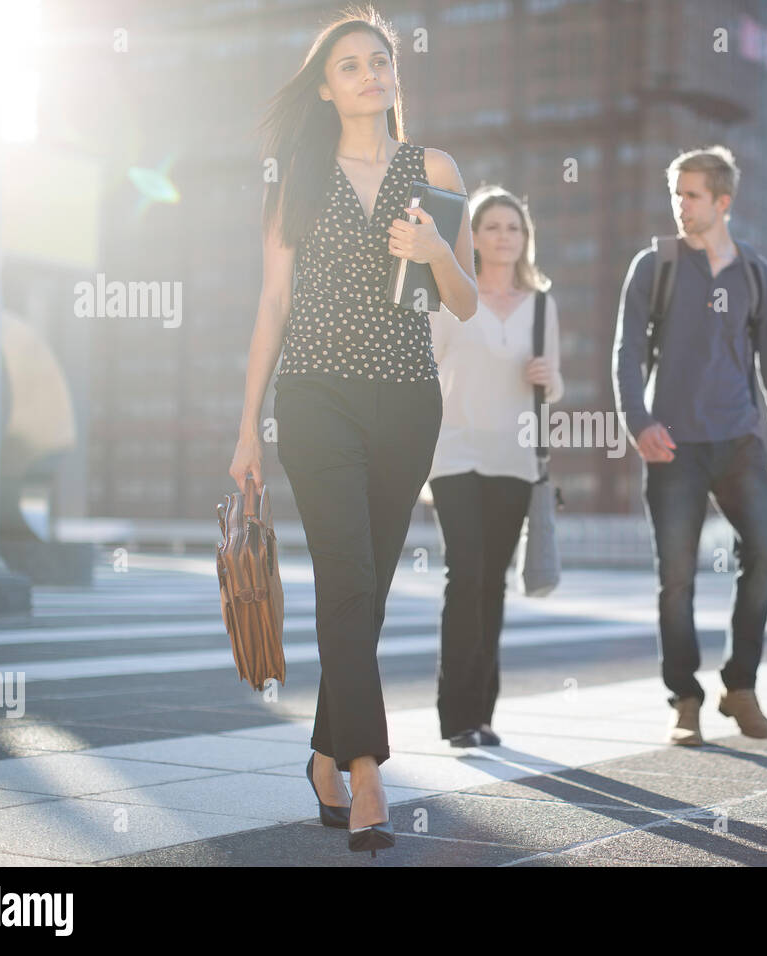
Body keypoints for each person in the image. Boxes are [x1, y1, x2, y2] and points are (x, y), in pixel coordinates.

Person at [230, 6, 477, 856]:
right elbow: (271, 306)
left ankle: (323, 753)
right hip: (314, 396)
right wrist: (246, 433)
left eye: (381, 60)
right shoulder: (294, 173)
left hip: (409, 398)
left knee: (365, 589)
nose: (371, 73)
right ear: (327, 89)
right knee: (344, 572)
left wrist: (435, 244)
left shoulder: (432, 166)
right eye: (350, 66)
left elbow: (467, 300)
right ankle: (367, 769)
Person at [612, 145, 767, 747]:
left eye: (692, 195)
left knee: (765, 555)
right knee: (676, 577)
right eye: (676, 194)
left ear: (723, 201)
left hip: (740, 441)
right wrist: (638, 421)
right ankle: (685, 699)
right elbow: (626, 353)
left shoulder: (754, 273)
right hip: (673, 445)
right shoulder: (656, 264)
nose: (681, 206)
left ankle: (739, 685)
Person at [425, 186, 564, 749]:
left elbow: (556, 386)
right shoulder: (449, 295)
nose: (504, 235)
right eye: (492, 227)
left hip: (514, 459)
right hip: (454, 453)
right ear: (473, 238)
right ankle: (456, 717)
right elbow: (424, 366)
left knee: (494, 585)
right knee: (466, 575)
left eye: (514, 227)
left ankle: (482, 714)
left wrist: (547, 380)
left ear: (525, 238)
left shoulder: (542, 305)